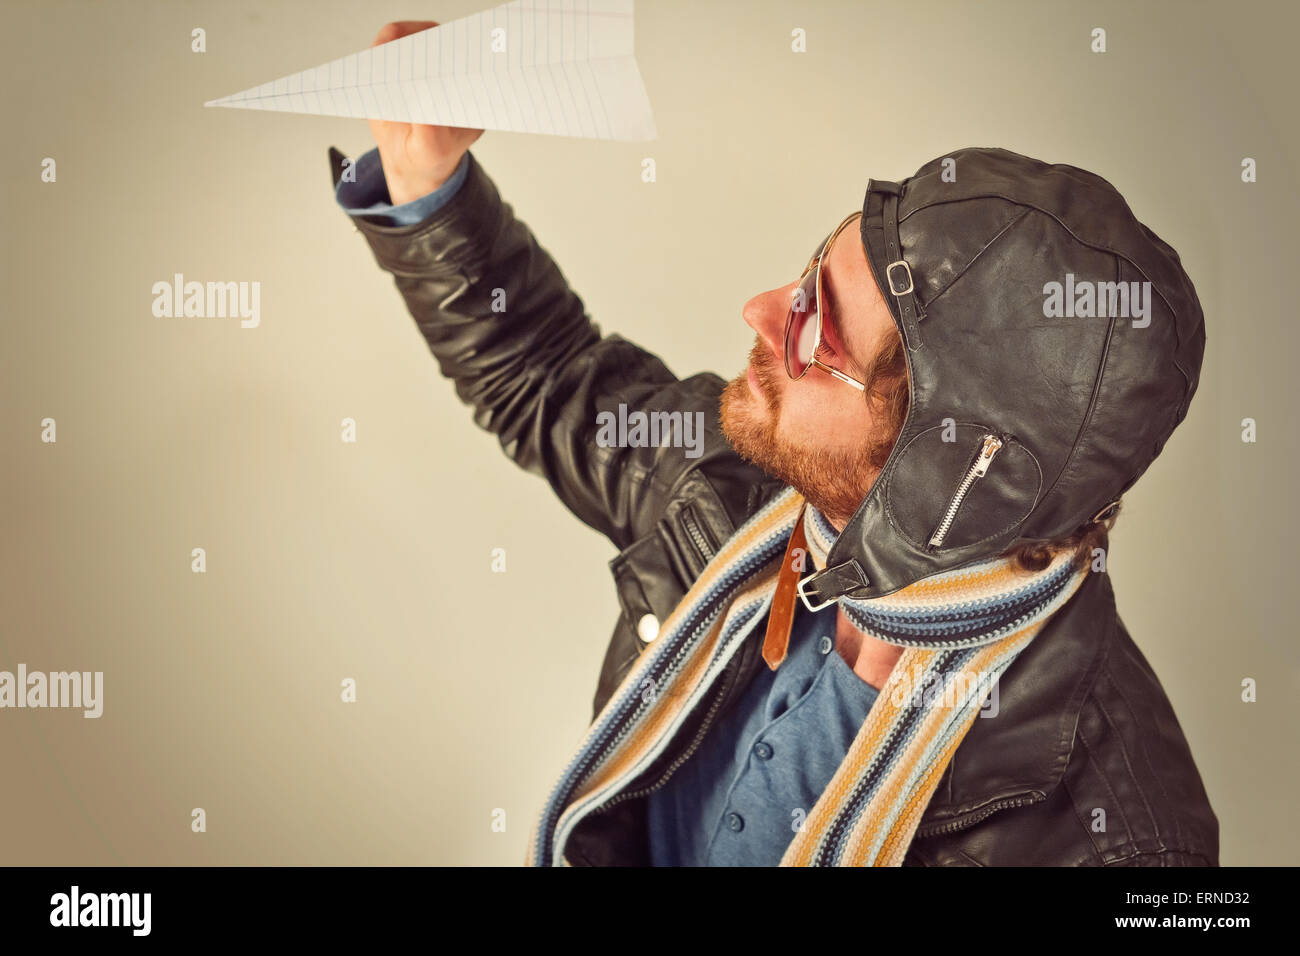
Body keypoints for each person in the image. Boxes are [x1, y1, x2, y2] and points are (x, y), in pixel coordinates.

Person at [329, 19, 1218, 870]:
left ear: (950, 475)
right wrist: (425, 174)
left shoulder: (1121, 843)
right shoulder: (730, 497)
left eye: (816, 331)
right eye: (811, 275)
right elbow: (551, 379)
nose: (759, 312)